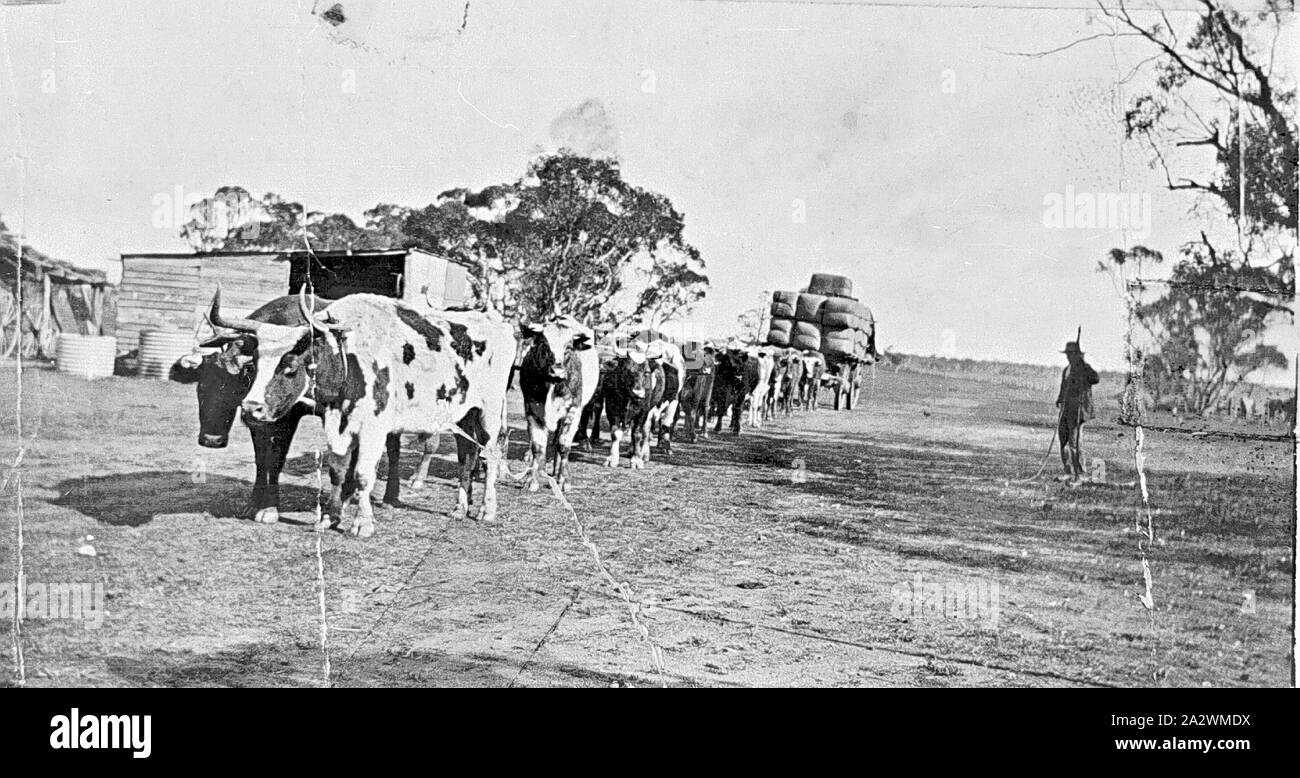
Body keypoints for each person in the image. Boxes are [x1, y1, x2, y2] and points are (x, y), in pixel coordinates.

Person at [1056, 341, 1099, 482]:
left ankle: (1079, 473)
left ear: (1077, 355)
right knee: (1063, 441)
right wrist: (1059, 399)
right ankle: (1068, 471)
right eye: (1068, 354)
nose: (1069, 357)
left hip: (1078, 411)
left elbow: (1095, 378)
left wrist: (1083, 366)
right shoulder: (1067, 370)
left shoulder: (1083, 369)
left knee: (1074, 443)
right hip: (1065, 410)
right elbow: (1064, 388)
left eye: (1072, 354)